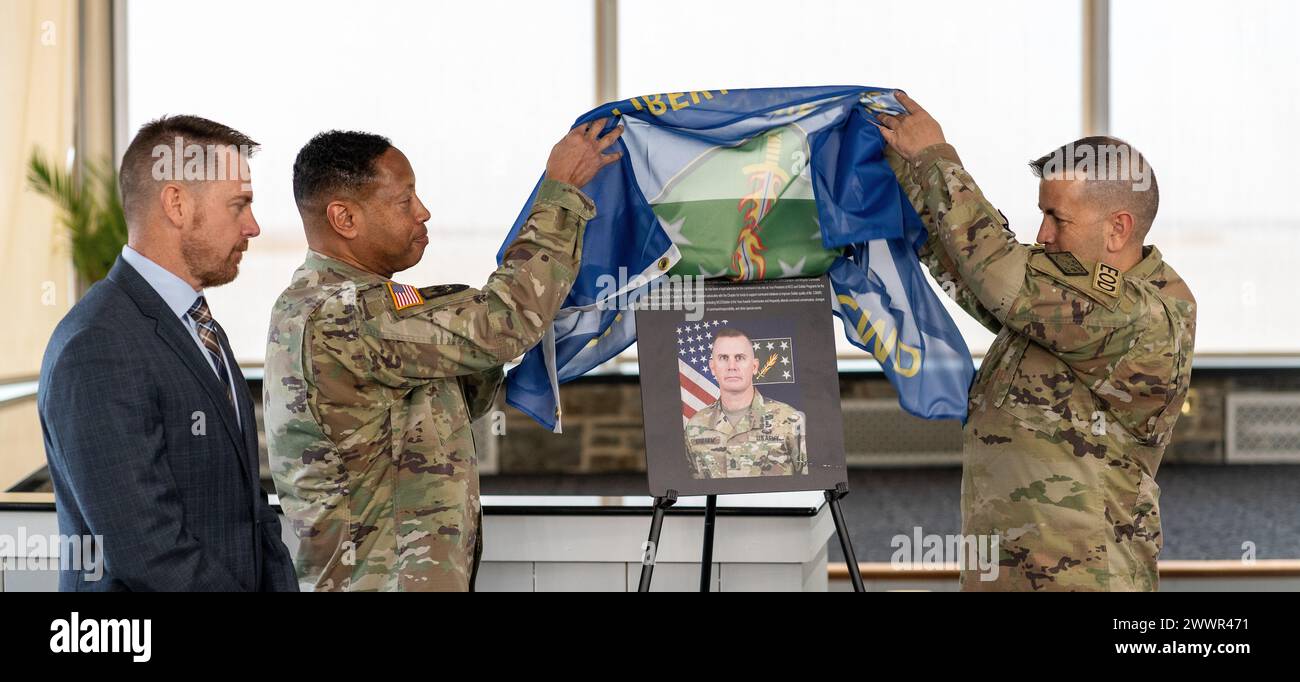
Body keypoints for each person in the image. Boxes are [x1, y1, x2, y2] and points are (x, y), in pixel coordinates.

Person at [265, 121, 623, 591]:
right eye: (404, 201)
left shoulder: (334, 304)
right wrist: (561, 192)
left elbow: (461, 387)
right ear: (344, 219)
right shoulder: (345, 314)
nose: (423, 212)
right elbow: (505, 321)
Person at [873, 92, 1196, 591]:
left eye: (1057, 218)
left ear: (1118, 229)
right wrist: (903, 173)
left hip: (1083, 578)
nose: (1042, 233)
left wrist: (935, 157)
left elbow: (999, 272)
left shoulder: (1142, 310)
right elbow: (977, 279)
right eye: (1042, 214)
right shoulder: (1060, 293)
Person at [38, 115, 297, 591]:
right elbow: (146, 551)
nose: (254, 226)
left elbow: (252, 513)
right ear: (176, 204)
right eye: (239, 205)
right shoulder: (96, 345)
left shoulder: (200, 326)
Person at [684, 327, 807, 479]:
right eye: (723, 358)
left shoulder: (789, 419)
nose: (732, 366)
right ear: (712, 367)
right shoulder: (695, 426)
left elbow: (812, 483)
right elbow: (688, 491)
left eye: (740, 357)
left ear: (755, 366)